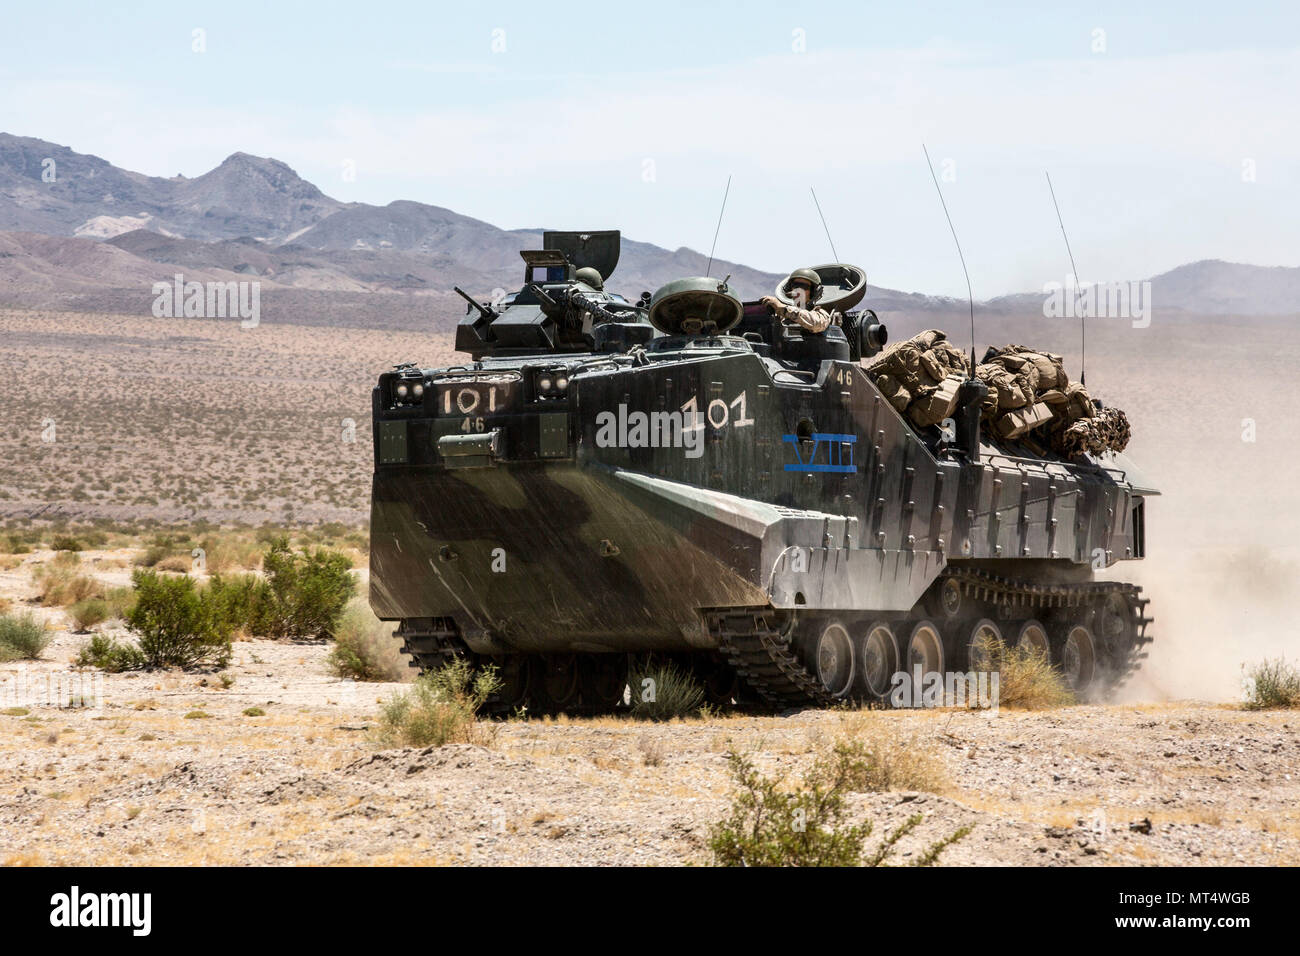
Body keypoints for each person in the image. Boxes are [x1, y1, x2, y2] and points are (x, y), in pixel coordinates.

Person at [760, 267, 841, 334]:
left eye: (803, 286)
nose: (798, 289)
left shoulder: (821, 314)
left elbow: (815, 324)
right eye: (795, 285)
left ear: (813, 292)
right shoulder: (781, 315)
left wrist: (783, 308)